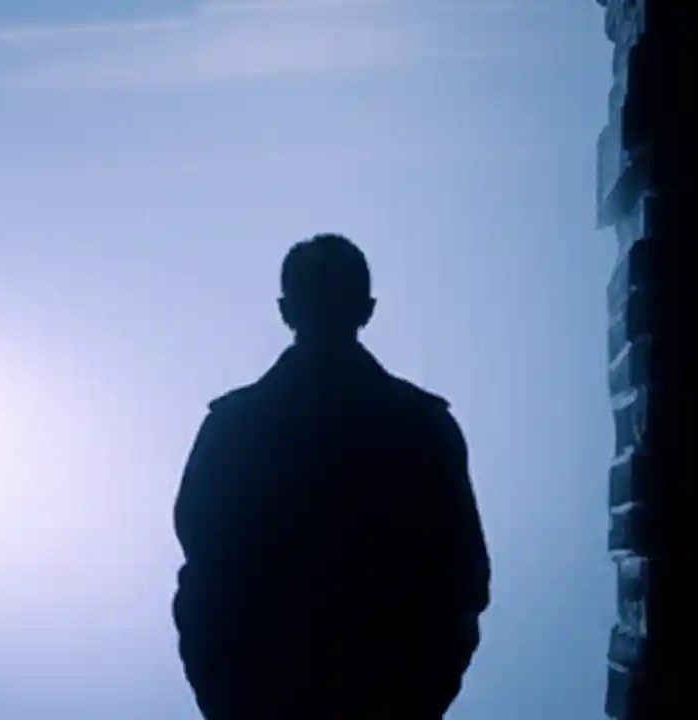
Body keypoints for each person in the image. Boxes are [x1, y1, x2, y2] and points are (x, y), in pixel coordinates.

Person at [172, 233, 491, 719]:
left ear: (286, 310)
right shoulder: (422, 424)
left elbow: (203, 576)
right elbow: (463, 580)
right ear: (368, 309)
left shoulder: (233, 425)